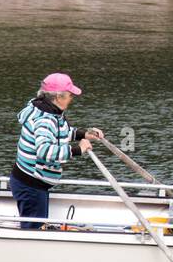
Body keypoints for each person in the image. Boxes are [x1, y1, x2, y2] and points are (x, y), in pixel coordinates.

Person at [9, 73, 105, 229]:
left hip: (36, 182)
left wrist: (85, 134)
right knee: (33, 231)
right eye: (69, 95)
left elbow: (61, 132)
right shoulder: (45, 119)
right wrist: (77, 150)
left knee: (38, 226)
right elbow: (45, 151)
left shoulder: (50, 112)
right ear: (58, 97)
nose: (71, 99)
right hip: (31, 184)